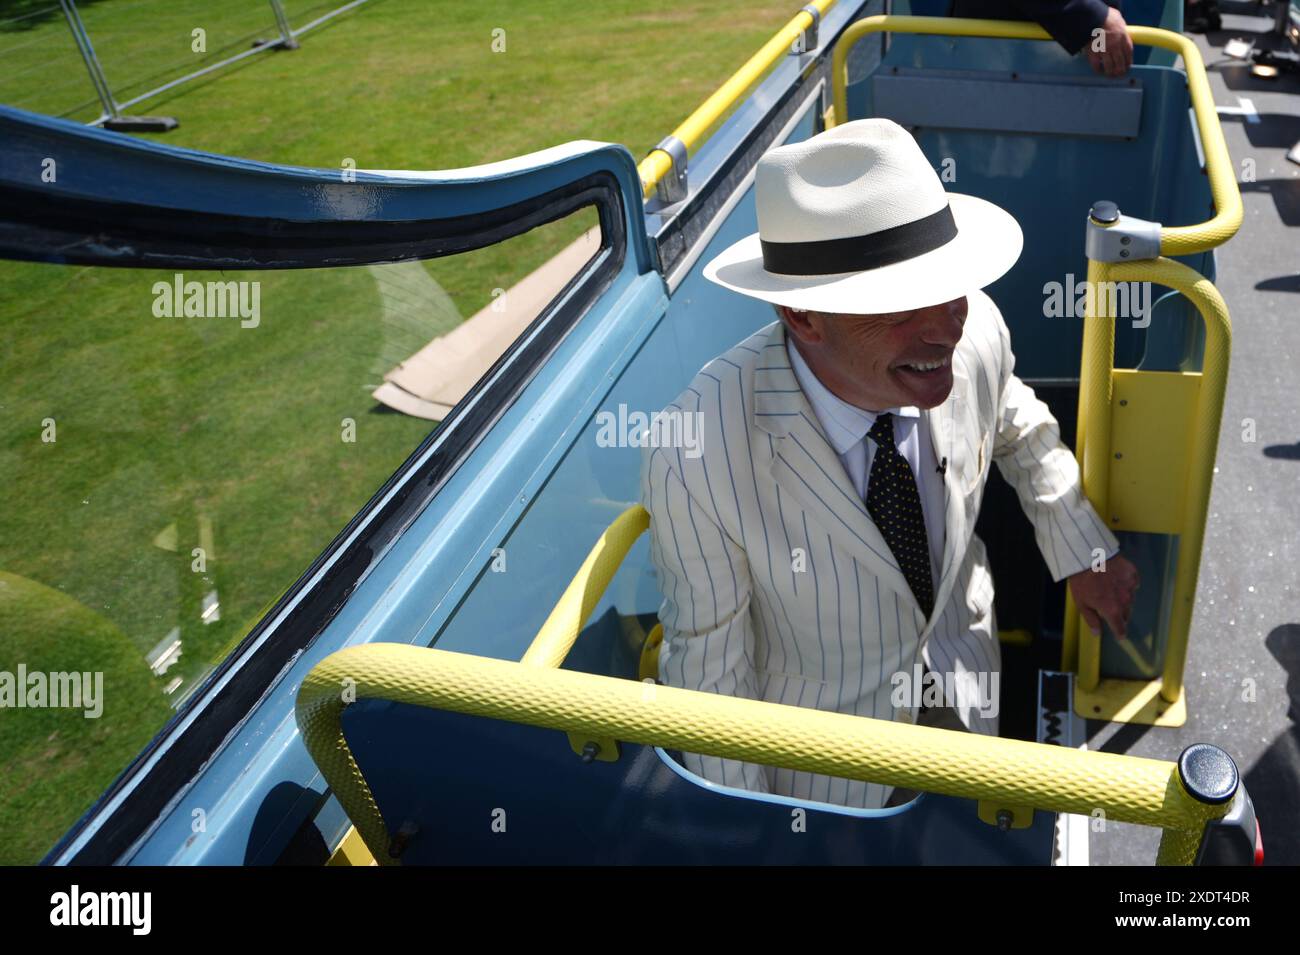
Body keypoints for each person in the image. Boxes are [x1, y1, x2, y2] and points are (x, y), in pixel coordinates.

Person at [639, 118, 1139, 809]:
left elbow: (1017, 427)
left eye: (951, 282)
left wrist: (1081, 550)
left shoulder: (978, 330)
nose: (947, 325)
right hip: (825, 787)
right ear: (803, 315)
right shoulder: (697, 452)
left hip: (971, 703)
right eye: (901, 303)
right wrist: (758, 841)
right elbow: (712, 684)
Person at [949, 0, 1135, 76]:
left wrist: (1099, 28)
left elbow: (1101, 38)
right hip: (997, 70)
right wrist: (1094, 19)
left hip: (1077, 77)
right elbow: (1100, 27)